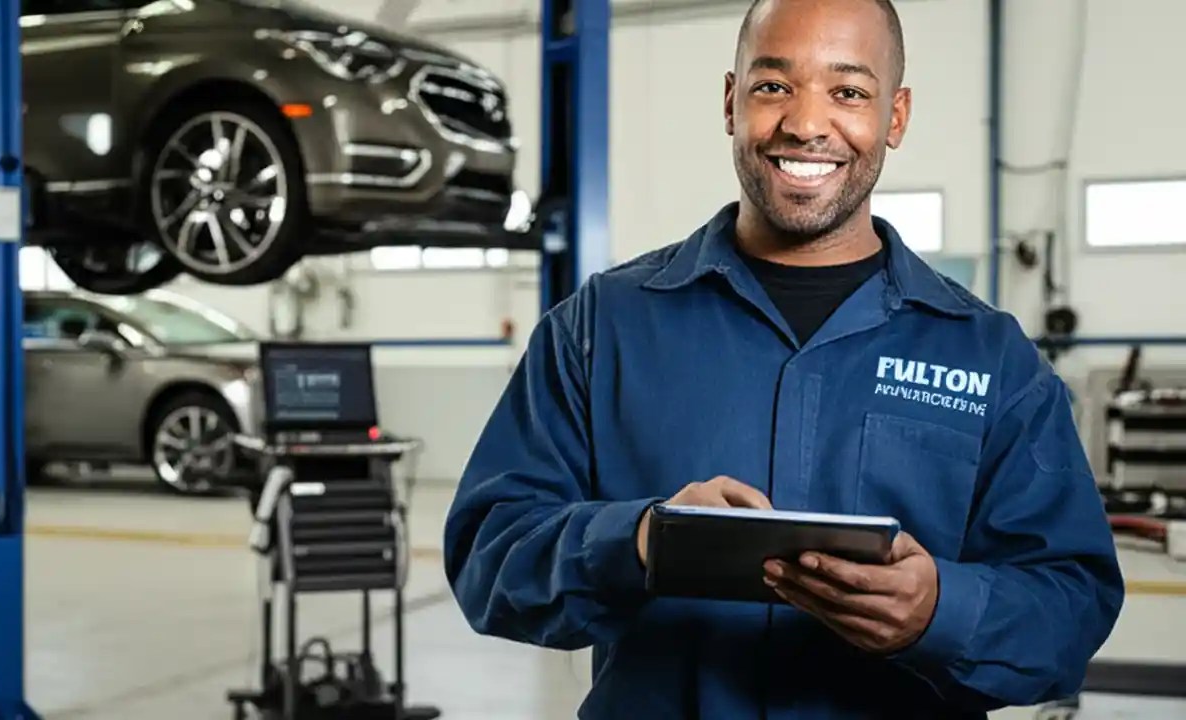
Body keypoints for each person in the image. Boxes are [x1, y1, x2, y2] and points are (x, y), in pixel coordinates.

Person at [442, 0, 1125, 716]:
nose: (805, 123)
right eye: (774, 86)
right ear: (731, 102)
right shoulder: (600, 328)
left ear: (895, 117)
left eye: (849, 92)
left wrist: (939, 611)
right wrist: (640, 539)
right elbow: (490, 556)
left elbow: (1072, 604)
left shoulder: (990, 356)